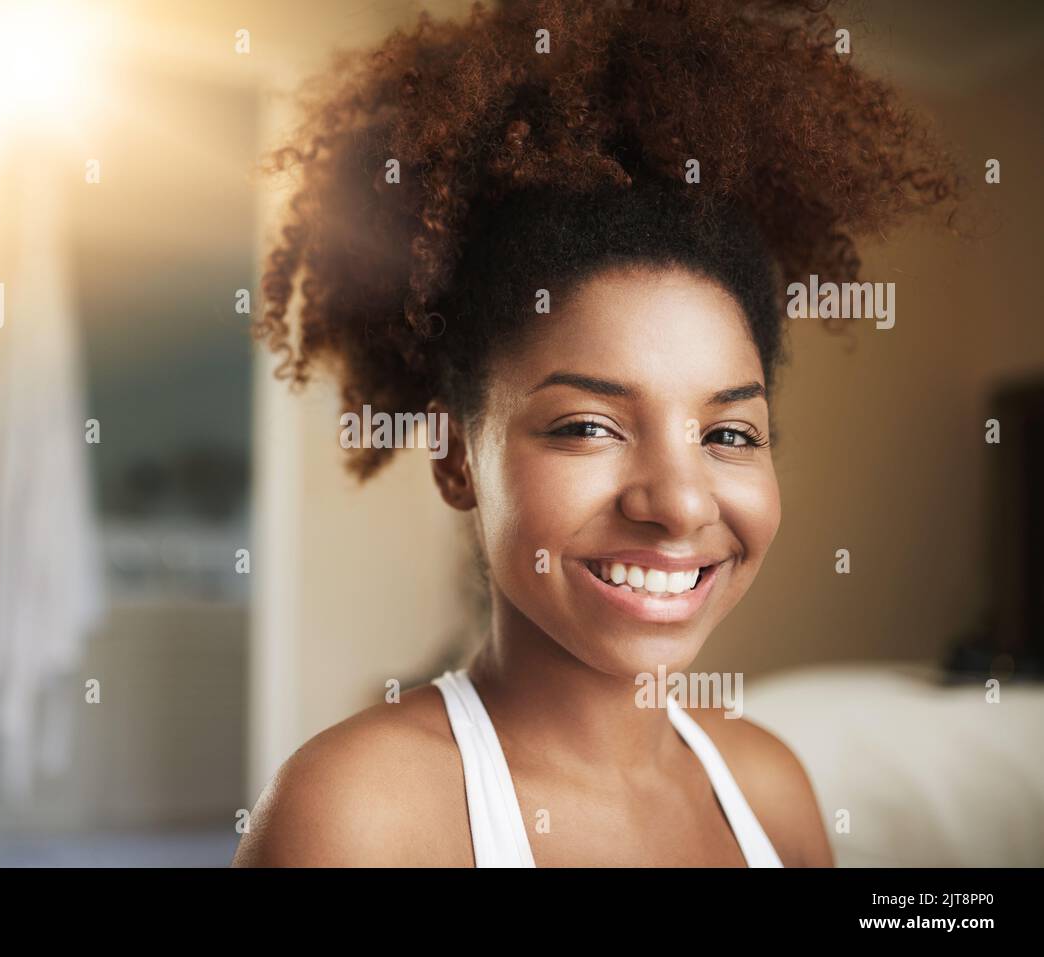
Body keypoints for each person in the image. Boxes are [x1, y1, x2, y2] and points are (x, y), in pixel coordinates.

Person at [232, 0, 957, 866]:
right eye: (588, 425)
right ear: (457, 456)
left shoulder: (771, 790)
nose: (680, 501)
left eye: (728, 434)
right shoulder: (358, 819)